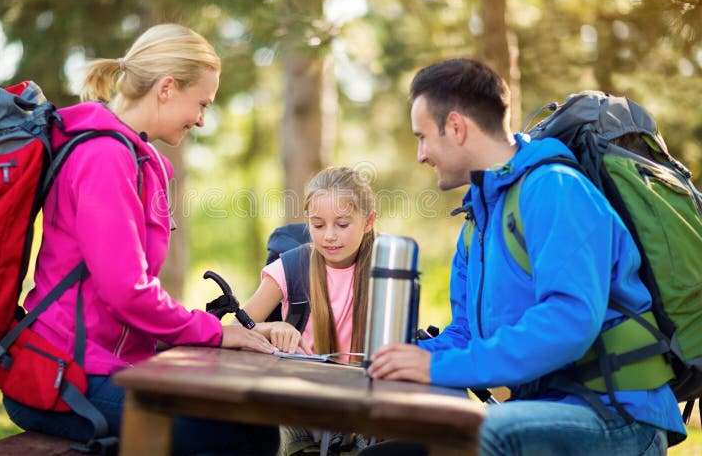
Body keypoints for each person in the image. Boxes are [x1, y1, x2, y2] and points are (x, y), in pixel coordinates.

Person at [364, 58, 686, 455]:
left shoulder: (554, 189)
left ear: (456, 127)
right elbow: (465, 334)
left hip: (617, 417)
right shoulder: (476, 222)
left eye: (422, 137)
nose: (420, 155)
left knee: (480, 434)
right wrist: (399, 359)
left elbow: (569, 320)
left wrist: (434, 368)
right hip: (544, 408)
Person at [2, 23, 280, 455]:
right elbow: (126, 292)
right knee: (241, 436)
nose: (203, 119)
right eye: (202, 103)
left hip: (108, 365)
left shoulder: (135, 158)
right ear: (167, 88)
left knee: (247, 421)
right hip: (63, 377)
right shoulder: (103, 157)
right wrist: (212, 332)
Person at [239, 166, 376, 453]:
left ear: (368, 222)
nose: (329, 236)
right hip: (297, 407)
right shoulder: (290, 268)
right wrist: (270, 327)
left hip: (362, 411)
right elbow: (236, 330)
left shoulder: (385, 272)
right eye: (317, 225)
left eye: (342, 224)